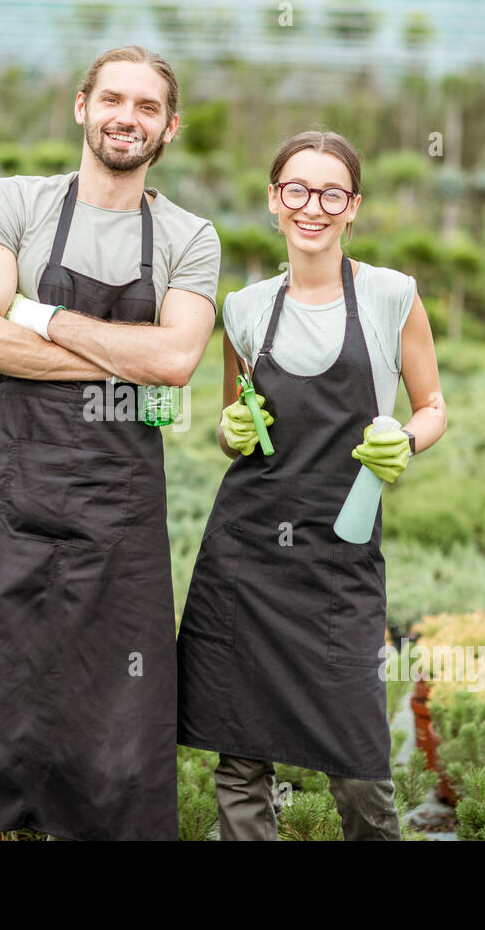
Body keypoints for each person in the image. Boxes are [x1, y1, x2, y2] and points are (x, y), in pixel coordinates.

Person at [0, 45, 220, 841]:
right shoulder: (16, 202)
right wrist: (116, 356)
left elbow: (175, 361)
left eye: (145, 107)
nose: (126, 118)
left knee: (116, 721)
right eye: (113, 100)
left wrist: (36, 318)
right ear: (81, 106)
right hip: (10, 498)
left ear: (170, 127)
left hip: (119, 520)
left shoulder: (187, 235)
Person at [176, 129, 447, 841]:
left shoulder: (391, 296)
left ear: (352, 206)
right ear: (274, 200)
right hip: (246, 558)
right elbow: (231, 416)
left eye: (332, 193)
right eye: (297, 189)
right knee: (240, 759)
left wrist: (406, 438)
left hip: (339, 563)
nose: (313, 207)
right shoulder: (244, 308)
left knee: (360, 765)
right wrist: (229, 431)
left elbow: (434, 406)